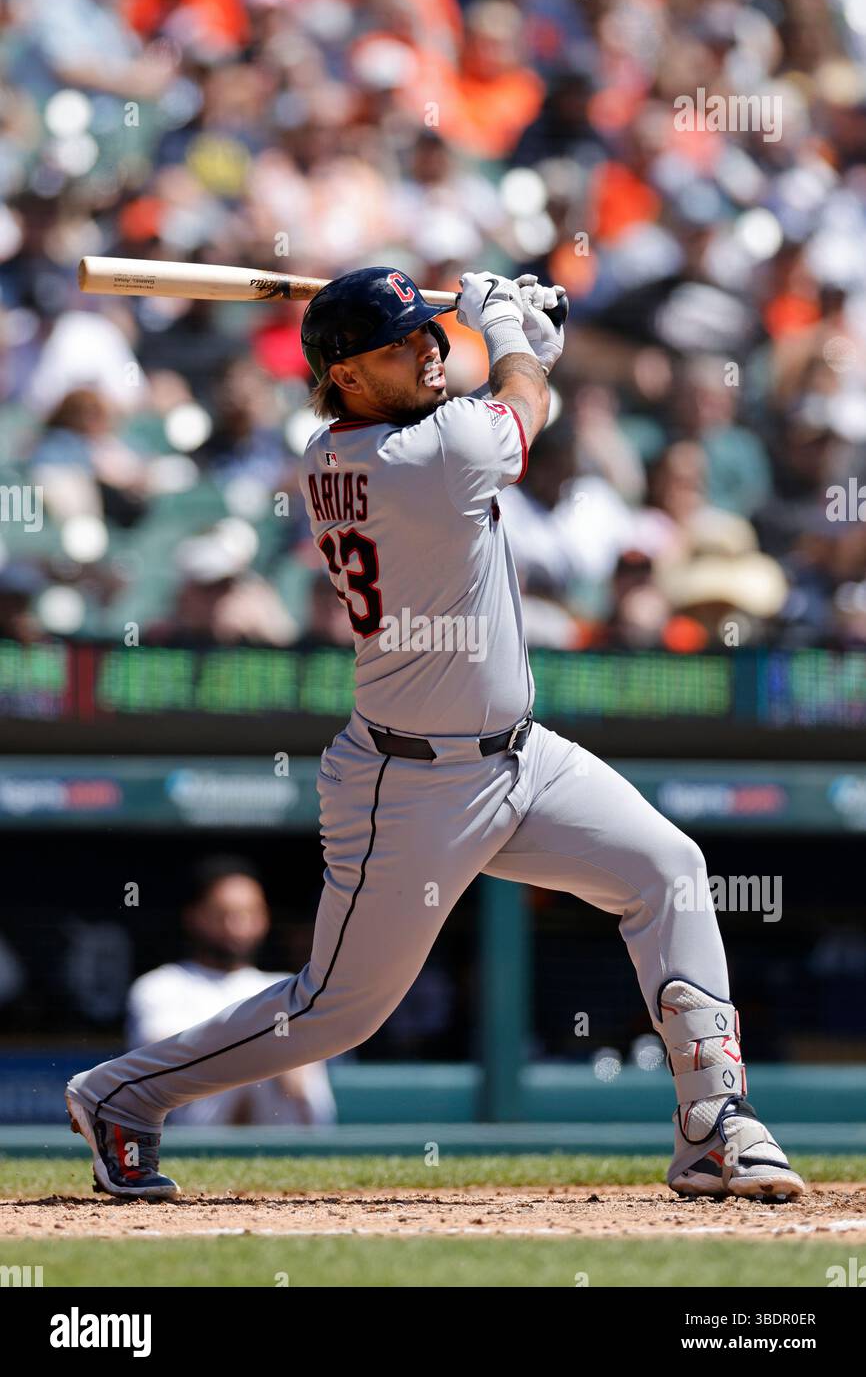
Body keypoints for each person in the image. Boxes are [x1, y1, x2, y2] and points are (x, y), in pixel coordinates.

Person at [65, 266, 804, 1203]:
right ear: (344, 376)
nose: (425, 349)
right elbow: (518, 409)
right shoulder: (423, 455)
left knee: (669, 867)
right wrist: (513, 337)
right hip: (407, 787)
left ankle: (714, 1123)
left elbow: (512, 399)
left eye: (427, 334)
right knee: (334, 1014)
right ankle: (122, 1093)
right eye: (400, 344)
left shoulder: (374, 443)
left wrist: (523, 340)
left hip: (519, 757)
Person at [125, 857, 336, 1127]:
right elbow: (169, 1058)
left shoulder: (288, 985)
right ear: (195, 917)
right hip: (189, 1127)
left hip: (284, 1120)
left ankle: (305, 1151)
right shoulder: (161, 985)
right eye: (223, 915)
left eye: (249, 914)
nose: (237, 927)